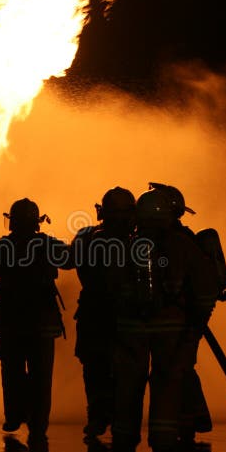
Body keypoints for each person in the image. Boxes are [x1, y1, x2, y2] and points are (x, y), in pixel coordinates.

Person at [111, 184, 219, 452]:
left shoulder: (126, 244)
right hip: (171, 330)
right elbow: (206, 289)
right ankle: (163, 439)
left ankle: (124, 439)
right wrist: (195, 323)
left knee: (128, 383)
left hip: (131, 329)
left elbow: (109, 288)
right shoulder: (183, 245)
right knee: (167, 382)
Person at [0, 198, 72, 447]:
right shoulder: (47, 245)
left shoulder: (5, 247)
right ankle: (38, 425)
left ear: (12, 222)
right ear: (37, 222)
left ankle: (14, 417)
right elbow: (71, 260)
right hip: (42, 324)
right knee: (41, 376)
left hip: (12, 324)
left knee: (12, 372)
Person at [148, 182, 213, 444]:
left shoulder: (181, 243)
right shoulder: (153, 242)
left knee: (176, 371)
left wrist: (195, 321)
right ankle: (191, 422)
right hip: (167, 324)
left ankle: (186, 426)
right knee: (177, 371)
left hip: (182, 324)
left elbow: (203, 287)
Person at [72, 186, 136, 438]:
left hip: (100, 314)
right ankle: (113, 418)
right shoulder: (138, 241)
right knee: (111, 369)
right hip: (113, 315)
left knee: (98, 370)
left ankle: (102, 417)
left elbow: (68, 260)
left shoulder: (87, 238)